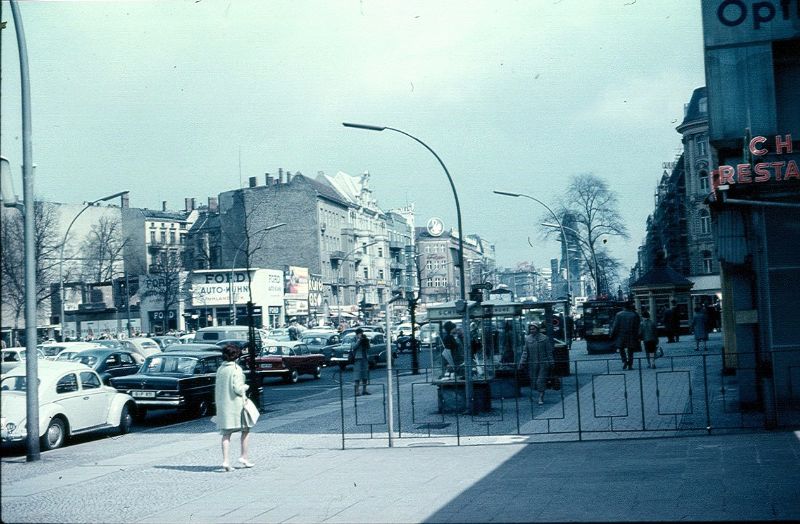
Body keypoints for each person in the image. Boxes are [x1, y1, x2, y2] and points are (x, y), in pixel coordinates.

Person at [215, 344, 254, 472]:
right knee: (246, 430)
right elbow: (238, 389)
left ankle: (226, 461)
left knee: (226, 434)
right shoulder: (236, 369)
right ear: (237, 356)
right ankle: (244, 457)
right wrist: (246, 387)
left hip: (223, 406)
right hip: (237, 406)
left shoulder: (221, 369)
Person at [518, 323, 553, 405]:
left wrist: (551, 362)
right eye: (530, 329)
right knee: (534, 381)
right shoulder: (528, 339)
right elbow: (525, 352)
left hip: (543, 363)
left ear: (537, 329)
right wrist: (522, 362)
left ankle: (541, 397)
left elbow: (549, 351)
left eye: (533, 329)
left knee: (540, 380)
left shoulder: (544, 338)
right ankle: (538, 394)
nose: (532, 330)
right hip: (532, 363)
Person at [610, 301, 641, 370]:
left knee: (621, 348)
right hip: (631, 335)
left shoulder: (619, 315)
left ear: (623, 307)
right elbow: (637, 327)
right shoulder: (634, 315)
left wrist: (612, 335)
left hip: (621, 335)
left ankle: (624, 361)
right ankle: (630, 364)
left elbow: (615, 326)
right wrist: (638, 336)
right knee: (630, 350)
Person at [352, 328, 371, 395]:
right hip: (358, 358)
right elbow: (353, 347)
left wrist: (366, 341)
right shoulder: (354, 339)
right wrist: (359, 340)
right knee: (357, 375)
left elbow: (368, 347)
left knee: (365, 375)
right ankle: (357, 391)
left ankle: (364, 390)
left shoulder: (364, 339)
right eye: (360, 333)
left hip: (364, 358)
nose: (361, 334)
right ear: (357, 334)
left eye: (362, 333)